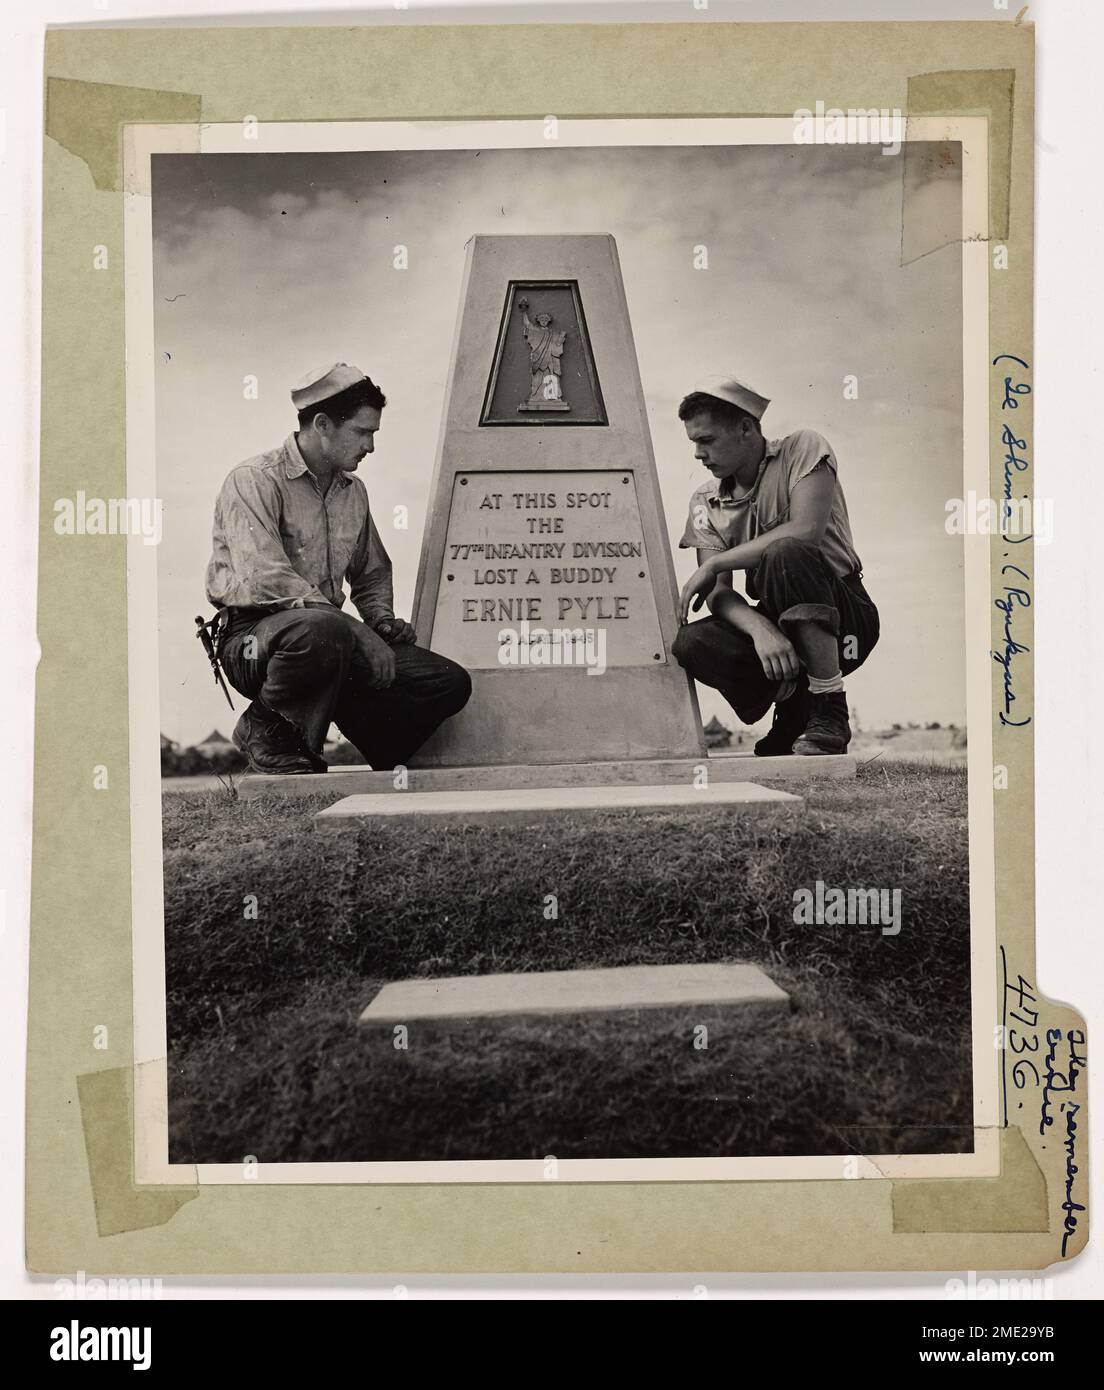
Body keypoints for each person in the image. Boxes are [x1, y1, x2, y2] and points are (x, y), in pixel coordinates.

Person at [204, 362, 471, 774]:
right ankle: (265, 728)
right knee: (321, 629)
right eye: (363, 432)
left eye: (374, 433)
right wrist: (358, 631)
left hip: (331, 644)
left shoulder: (354, 492)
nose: (371, 446)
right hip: (255, 641)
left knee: (447, 681)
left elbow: (372, 571)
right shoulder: (253, 480)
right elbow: (266, 579)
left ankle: (378, 749)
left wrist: (380, 623)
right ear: (324, 424)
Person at [672, 376, 879, 756]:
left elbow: (805, 533)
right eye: (694, 443)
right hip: (777, 619)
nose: (698, 455)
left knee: (785, 552)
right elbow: (719, 593)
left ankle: (829, 706)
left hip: (845, 617)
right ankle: (794, 706)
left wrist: (717, 561)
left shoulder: (803, 448)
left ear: (746, 428)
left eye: (707, 440)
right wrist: (760, 629)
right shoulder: (704, 501)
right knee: (691, 642)